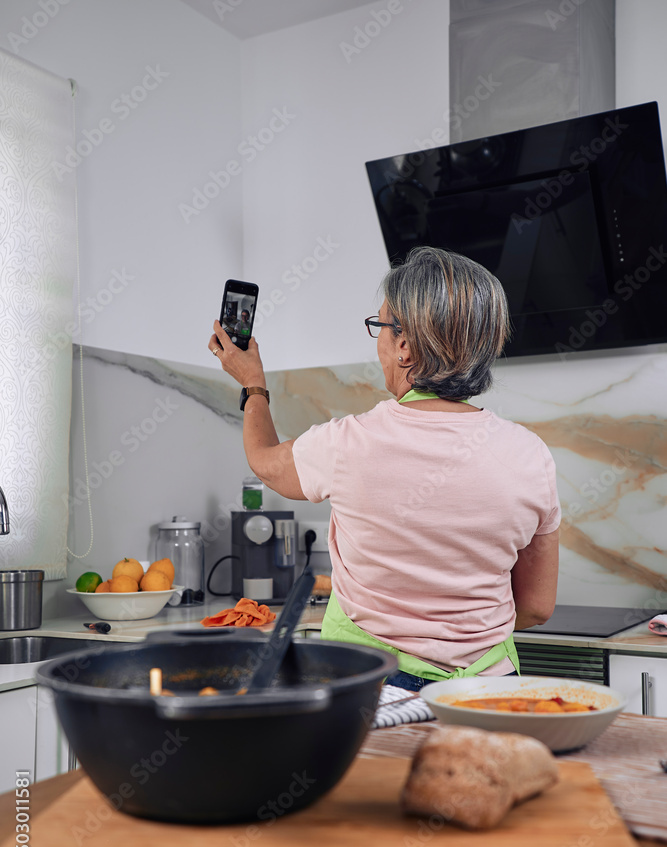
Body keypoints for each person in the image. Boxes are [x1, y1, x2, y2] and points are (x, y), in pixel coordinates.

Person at [208, 247, 560, 690]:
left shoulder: (348, 442)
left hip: (371, 684)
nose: (378, 342)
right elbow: (536, 606)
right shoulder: (531, 455)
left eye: (381, 326)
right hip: (487, 690)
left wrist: (252, 383)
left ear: (405, 346)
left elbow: (264, 461)